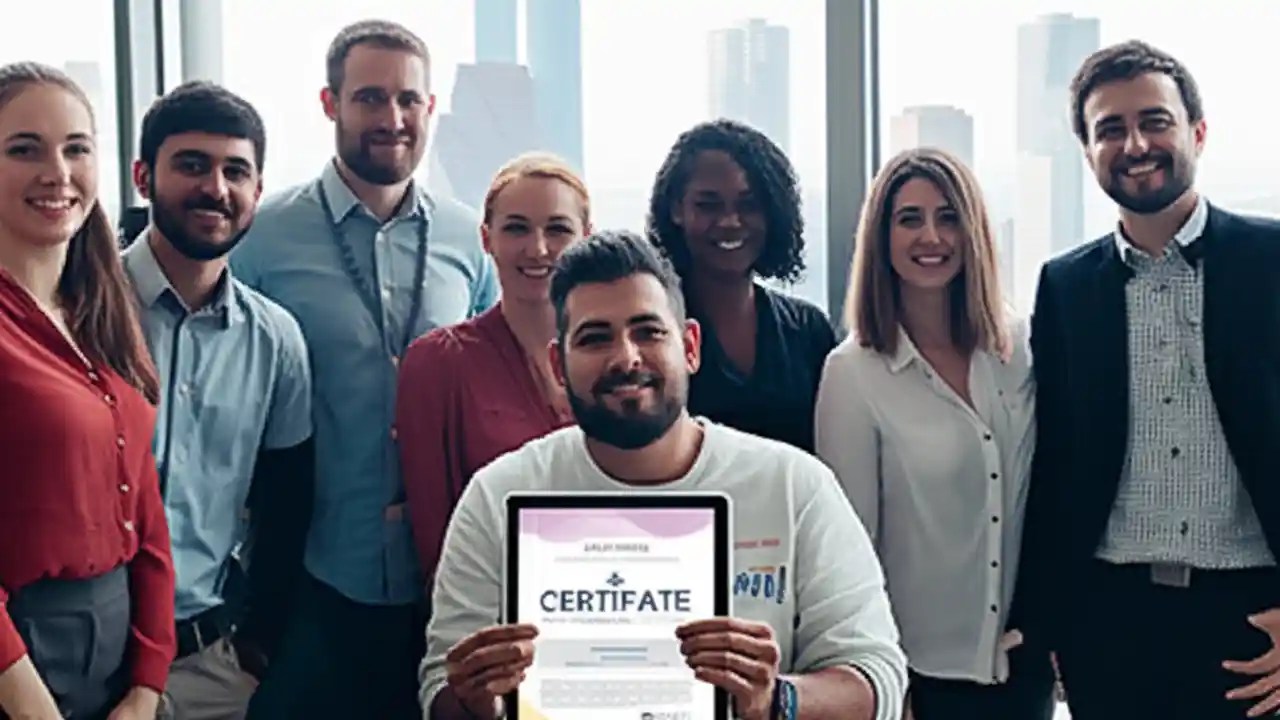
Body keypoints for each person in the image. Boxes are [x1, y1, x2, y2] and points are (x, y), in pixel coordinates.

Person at [420, 230, 907, 720]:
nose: (626, 358)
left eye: (648, 331)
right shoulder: (498, 495)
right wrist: (475, 700)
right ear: (558, 366)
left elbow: (878, 680)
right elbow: (439, 688)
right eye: (594, 338)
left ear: (690, 347)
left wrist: (775, 700)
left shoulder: (793, 486)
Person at [231, 19, 497, 719]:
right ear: (330, 104)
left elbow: (487, 383)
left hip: (444, 581)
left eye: (409, 100)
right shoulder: (261, 238)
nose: (393, 118)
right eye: (370, 98)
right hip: (311, 581)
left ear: (430, 108)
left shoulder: (469, 239)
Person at [1015, 40, 1280, 719]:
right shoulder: (1065, 286)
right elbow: (1056, 463)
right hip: (1107, 620)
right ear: (1088, 152)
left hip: (1253, 618)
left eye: (1154, 121)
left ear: (1197, 132)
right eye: (1110, 129)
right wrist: (1051, 618)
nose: (1135, 144)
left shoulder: (1271, 259)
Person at [815, 147, 1054, 719]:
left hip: (1024, 666)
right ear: (882, 237)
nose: (932, 236)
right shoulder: (853, 373)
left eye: (949, 217)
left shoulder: (1021, 348)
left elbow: (1051, 494)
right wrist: (884, 685)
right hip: (919, 679)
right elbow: (851, 552)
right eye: (910, 219)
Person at [121, 81, 314, 720]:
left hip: (209, 667)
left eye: (236, 171)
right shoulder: (80, 310)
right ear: (144, 177)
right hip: (81, 659)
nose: (216, 188)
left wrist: (257, 648)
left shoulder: (277, 339)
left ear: (258, 191)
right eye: (192, 165)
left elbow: (286, 505)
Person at [0, 61, 174, 719]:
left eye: (76, 148)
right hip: (21, 665)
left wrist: (146, 686)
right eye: (25, 150)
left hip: (117, 662)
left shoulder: (100, 311)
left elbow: (147, 511)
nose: (58, 172)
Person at [397, 152, 588, 582]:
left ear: (587, 237)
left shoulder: (616, 358)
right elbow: (434, 532)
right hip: (487, 607)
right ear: (486, 239)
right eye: (517, 228)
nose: (538, 249)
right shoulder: (438, 363)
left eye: (558, 229)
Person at [646, 119, 836, 453]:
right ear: (677, 210)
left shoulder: (808, 331)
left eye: (749, 205)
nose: (730, 221)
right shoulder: (651, 332)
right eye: (708, 205)